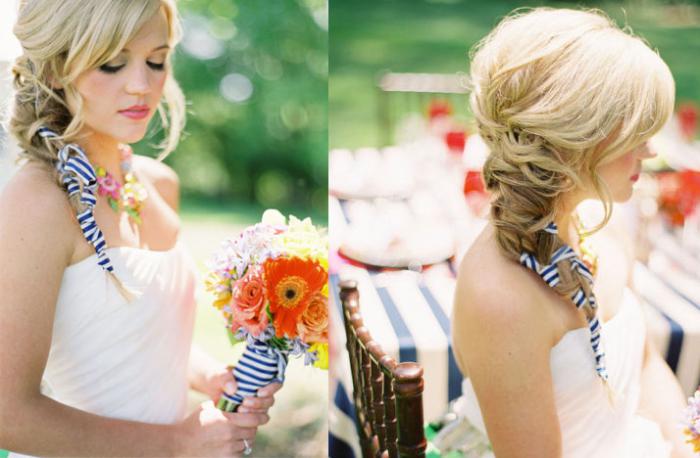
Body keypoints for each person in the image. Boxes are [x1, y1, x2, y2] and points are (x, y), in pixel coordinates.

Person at [0, 1, 279, 456]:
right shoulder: (37, 202)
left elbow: (132, 337)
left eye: (157, 60)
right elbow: (7, 414)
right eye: (112, 63)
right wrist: (175, 445)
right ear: (54, 70)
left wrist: (210, 376)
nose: (141, 85)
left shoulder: (158, 184)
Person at [451, 8, 695, 458]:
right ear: (575, 137)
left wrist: (685, 445)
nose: (652, 148)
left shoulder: (603, 225)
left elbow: (644, 364)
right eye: (636, 130)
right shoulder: (500, 294)